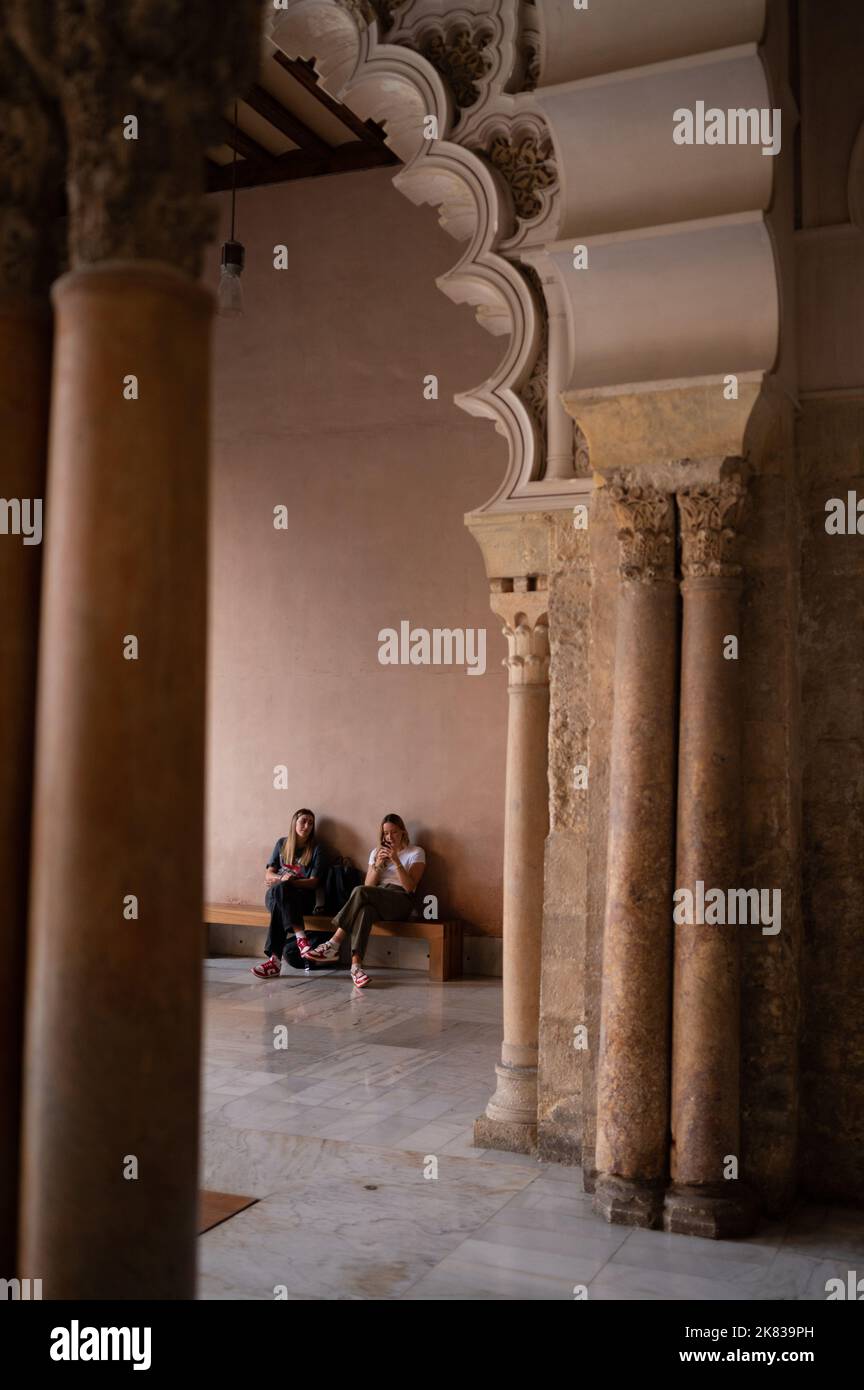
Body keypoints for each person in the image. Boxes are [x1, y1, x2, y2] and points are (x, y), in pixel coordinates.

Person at [303, 813, 425, 988]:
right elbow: (369, 885)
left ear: (403, 833)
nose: (390, 837)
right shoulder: (376, 852)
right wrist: (378, 865)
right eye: (386, 833)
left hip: (401, 900)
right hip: (376, 896)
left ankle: (334, 942)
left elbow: (410, 887)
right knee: (365, 911)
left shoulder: (416, 852)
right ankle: (356, 968)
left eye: (394, 832)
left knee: (360, 892)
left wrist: (396, 861)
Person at [251, 808, 324, 978]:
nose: (306, 826)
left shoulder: (316, 849)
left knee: (281, 892)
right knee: (280, 891)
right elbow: (268, 874)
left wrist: (290, 882)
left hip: (303, 899)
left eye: (310, 823)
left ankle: (274, 962)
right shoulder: (281, 844)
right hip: (277, 896)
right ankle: (301, 938)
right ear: (294, 823)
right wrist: (282, 880)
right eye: (303, 821)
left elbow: (313, 882)